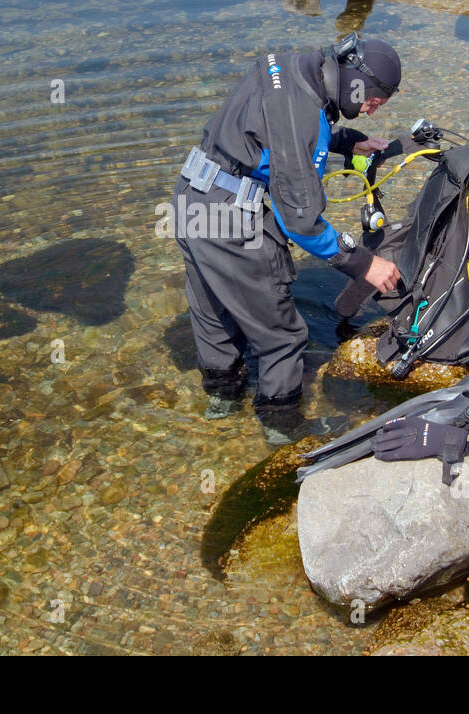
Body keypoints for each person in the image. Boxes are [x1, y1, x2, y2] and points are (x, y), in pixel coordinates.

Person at [172, 34, 403, 442]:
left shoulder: (285, 65)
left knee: (214, 313)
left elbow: (274, 134)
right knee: (282, 335)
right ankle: (282, 428)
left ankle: (221, 400)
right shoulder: (305, 114)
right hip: (231, 223)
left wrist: (349, 141)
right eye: (373, 101)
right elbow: (302, 223)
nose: (370, 110)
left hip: (192, 200)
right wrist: (365, 265)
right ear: (355, 79)